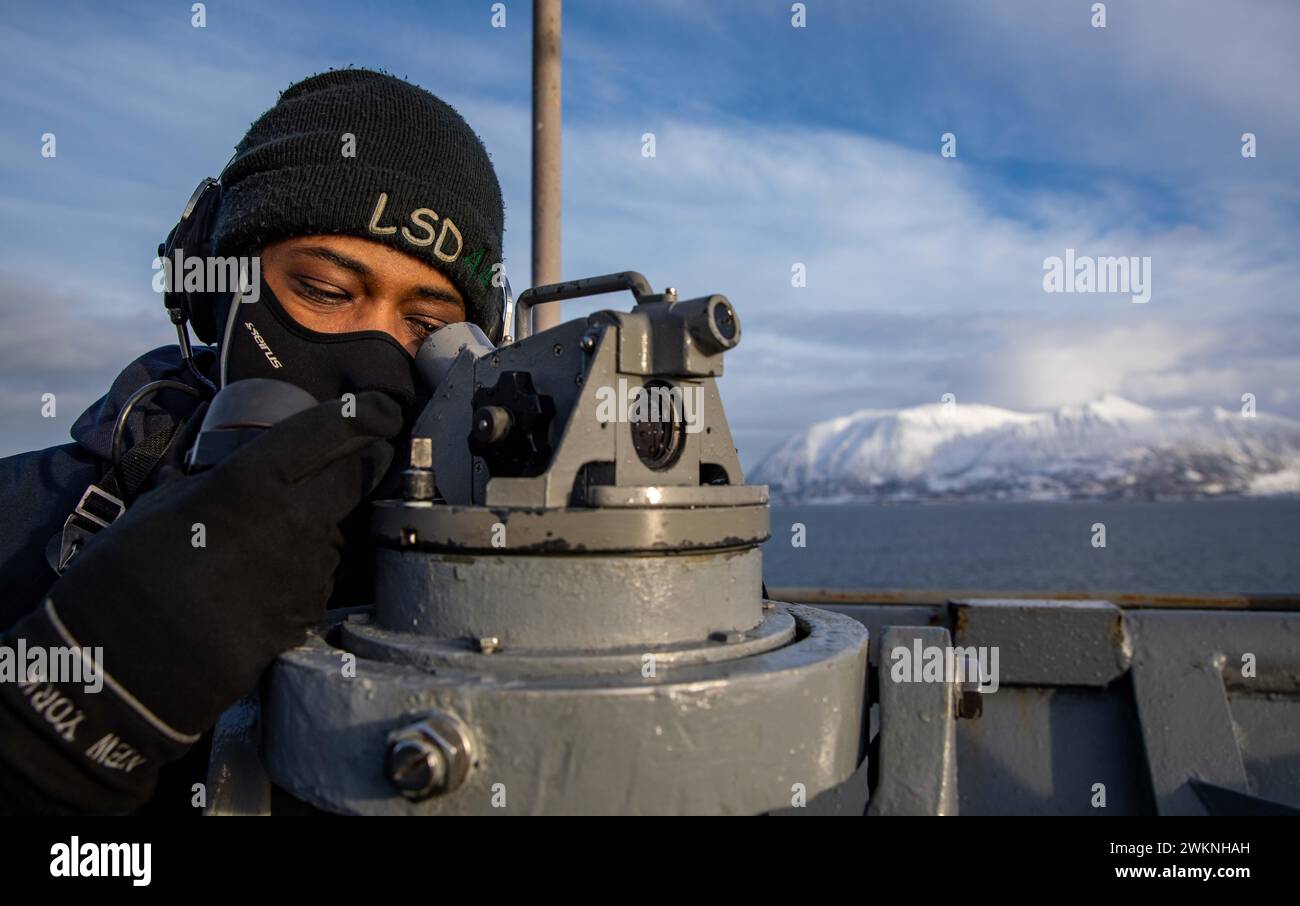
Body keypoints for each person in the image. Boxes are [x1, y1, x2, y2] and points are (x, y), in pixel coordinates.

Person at [0, 68, 506, 814]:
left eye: (428, 330)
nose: (372, 358)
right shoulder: (20, 521)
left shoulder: (499, 579)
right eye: (327, 292)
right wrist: (54, 737)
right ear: (214, 287)